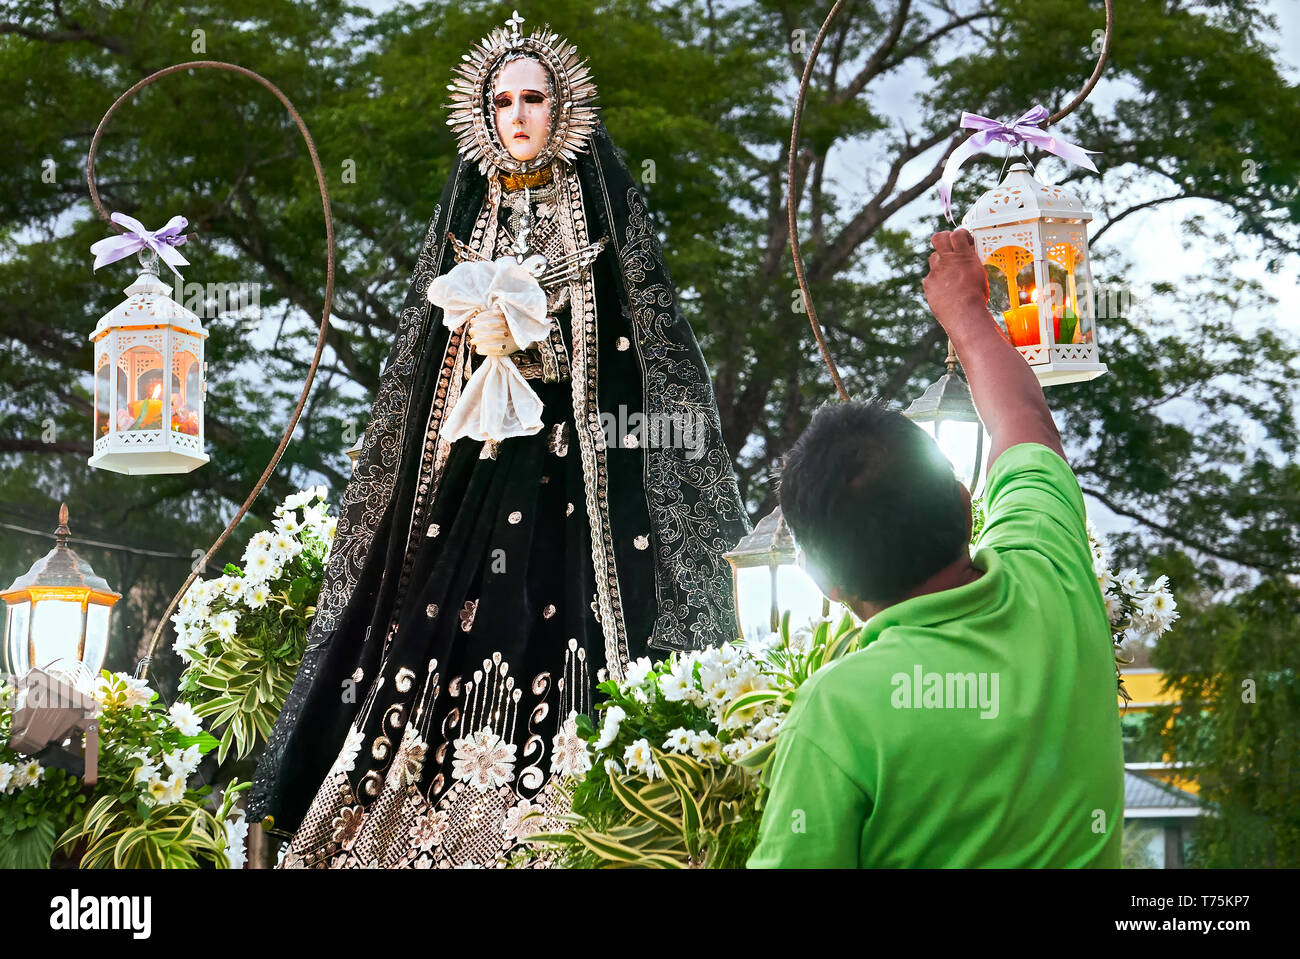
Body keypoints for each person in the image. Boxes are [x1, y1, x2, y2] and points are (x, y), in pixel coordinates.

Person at [248, 12, 750, 868]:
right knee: (442, 623)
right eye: (503, 100)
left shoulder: (597, 215)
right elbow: (423, 377)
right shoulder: (467, 221)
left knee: (569, 628)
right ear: (483, 114)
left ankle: (577, 817)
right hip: (476, 473)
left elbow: (638, 353)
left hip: (580, 477)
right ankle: (418, 830)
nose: (518, 115)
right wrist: (481, 337)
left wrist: (549, 347)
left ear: (564, 108)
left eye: (535, 98)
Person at [747, 228, 1123, 868]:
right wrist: (966, 312)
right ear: (962, 500)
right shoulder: (1050, 573)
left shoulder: (840, 711)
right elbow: (1025, 421)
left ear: (822, 581)